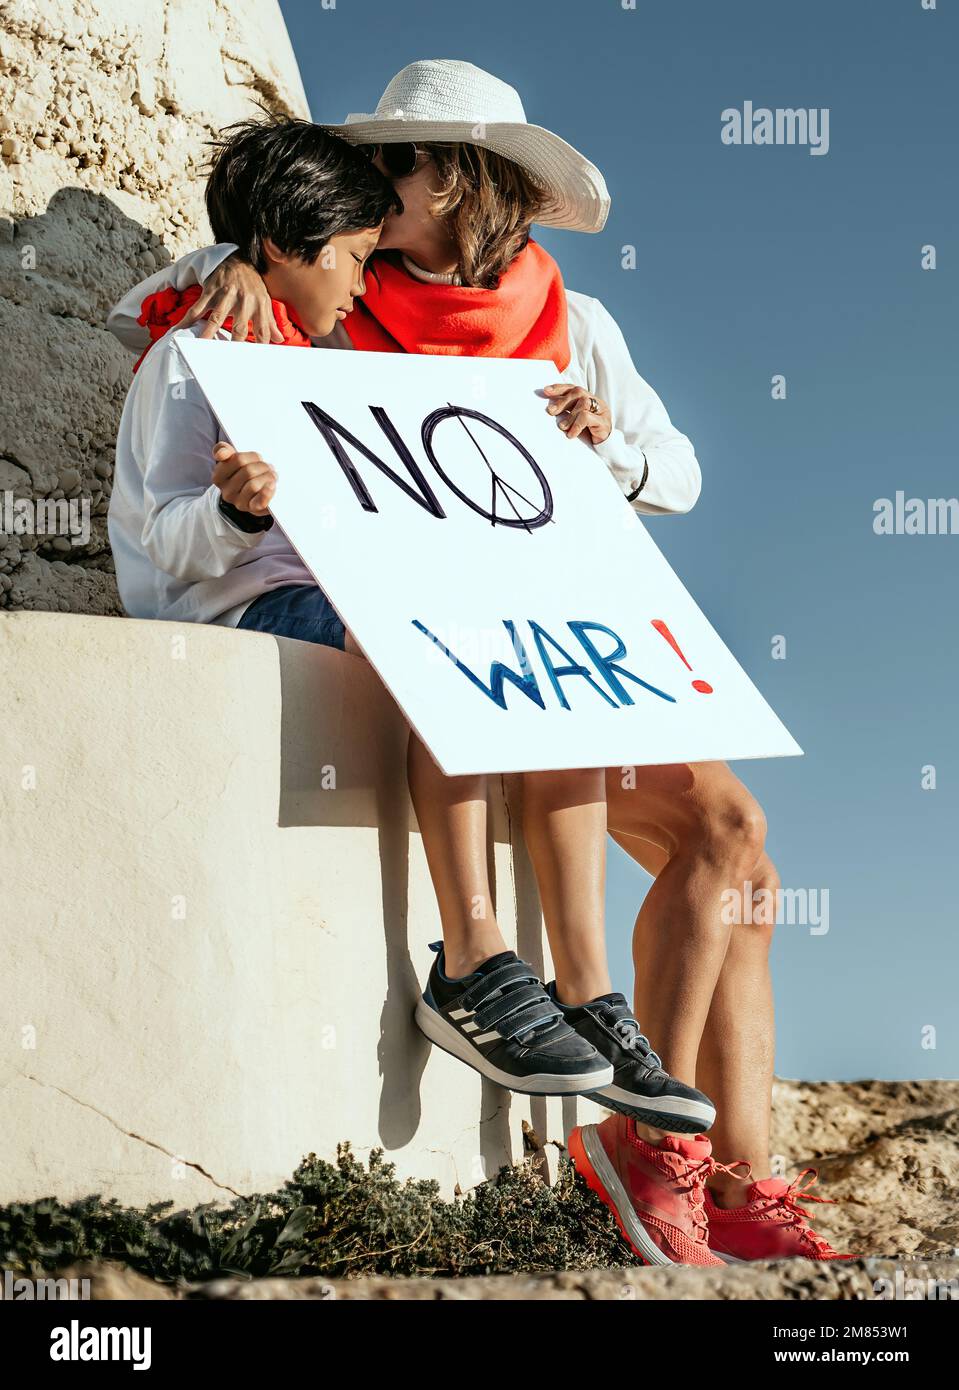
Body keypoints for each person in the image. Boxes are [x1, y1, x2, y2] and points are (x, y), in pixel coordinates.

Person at [107, 62, 848, 1264]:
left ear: (451, 176)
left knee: (737, 838)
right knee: (691, 819)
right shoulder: (344, 289)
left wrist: (604, 451)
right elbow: (234, 266)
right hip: (444, 640)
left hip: (547, 634)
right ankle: (639, 1144)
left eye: (392, 166)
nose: (370, 192)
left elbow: (681, 469)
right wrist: (225, 265)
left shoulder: (573, 322)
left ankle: (721, 1169)